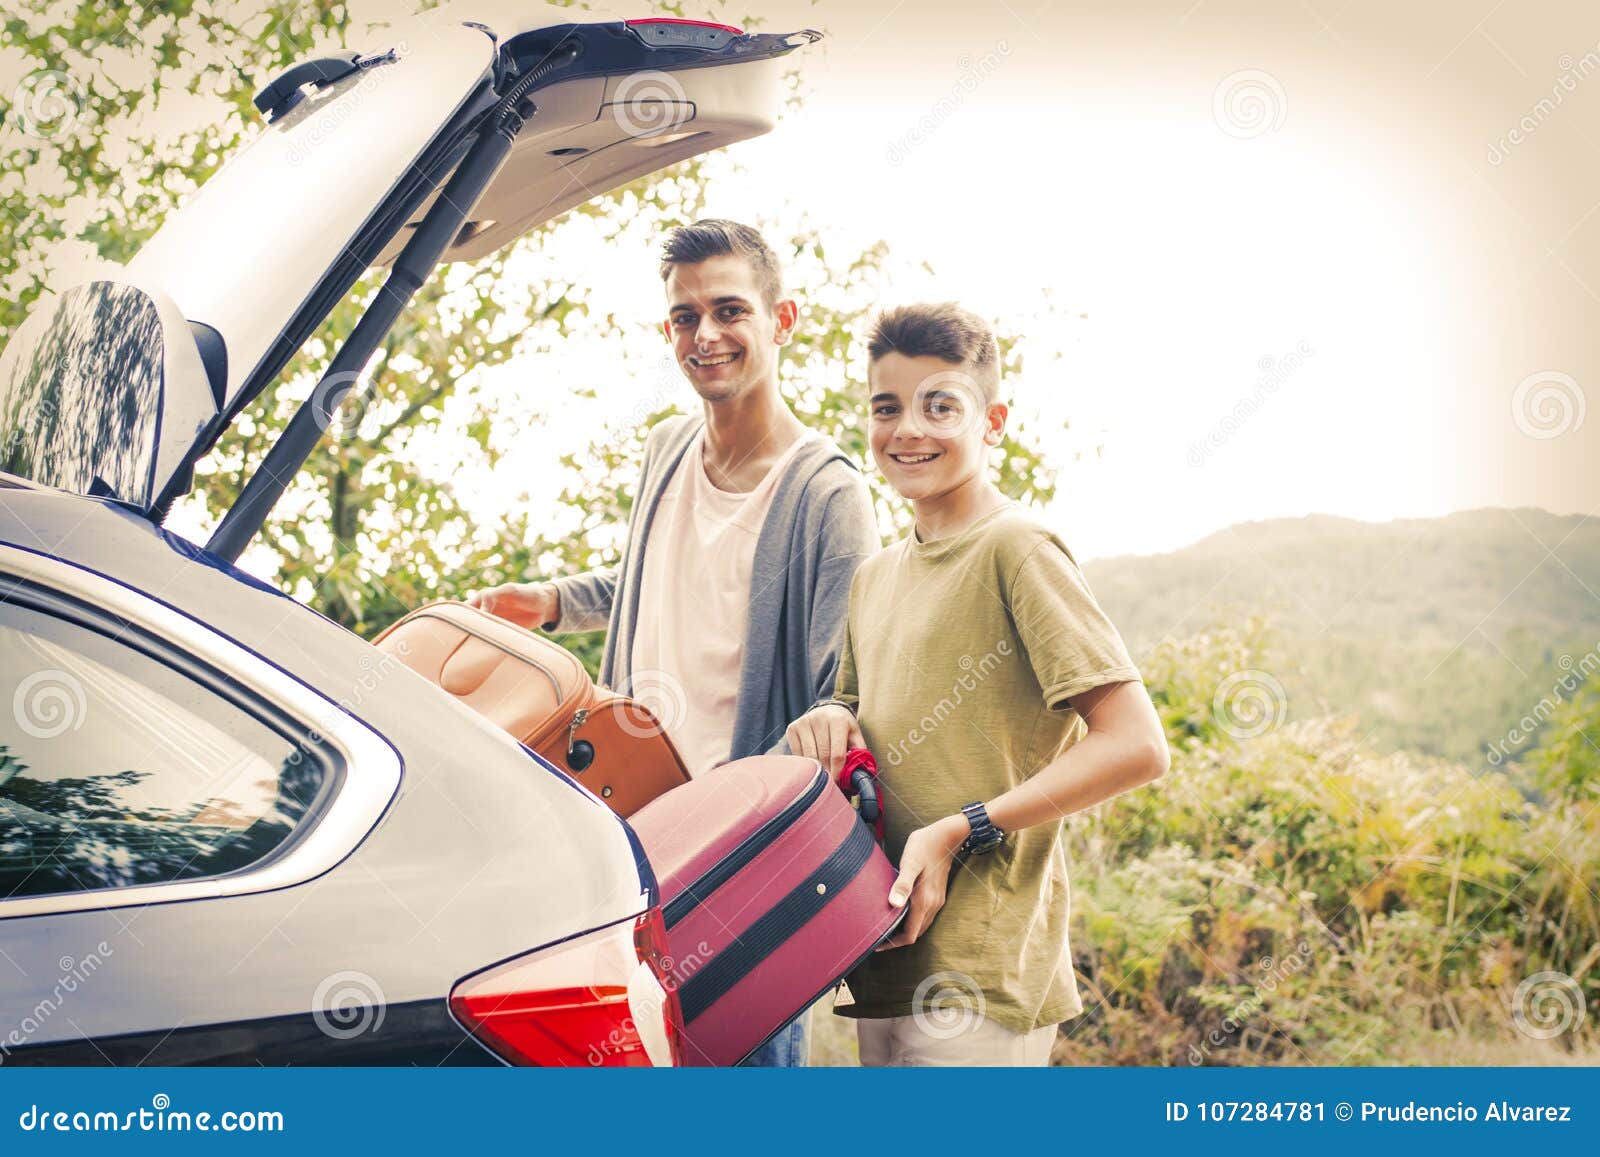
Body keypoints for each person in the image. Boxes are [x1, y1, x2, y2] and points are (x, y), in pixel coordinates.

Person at [467, 219, 879, 1067]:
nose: (707, 335)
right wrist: (550, 600)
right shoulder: (665, 449)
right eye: (685, 317)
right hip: (618, 821)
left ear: (783, 319)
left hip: (734, 852)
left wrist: (753, 822)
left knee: (740, 1070)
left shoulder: (827, 493)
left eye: (730, 310)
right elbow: (661, 580)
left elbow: (843, 686)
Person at [783, 302, 1169, 1066]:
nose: (907, 430)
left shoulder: (1018, 548)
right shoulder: (875, 576)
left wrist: (963, 825)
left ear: (991, 420)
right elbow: (857, 711)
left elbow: (1136, 745)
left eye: (940, 406)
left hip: (984, 973)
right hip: (884, 955)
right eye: (886, 407)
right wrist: (825, 718)